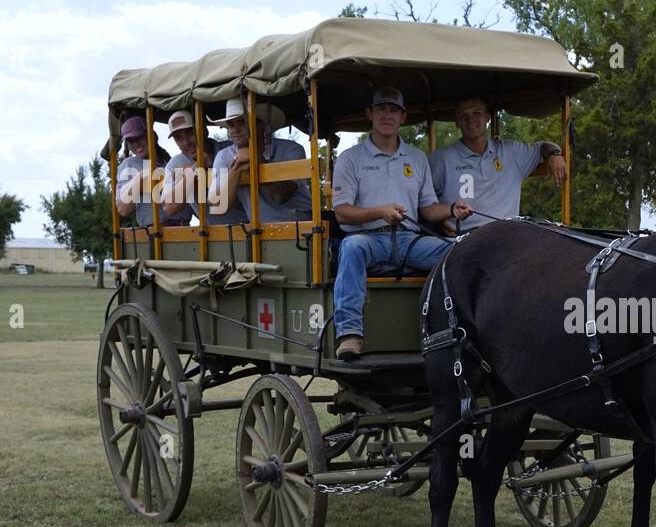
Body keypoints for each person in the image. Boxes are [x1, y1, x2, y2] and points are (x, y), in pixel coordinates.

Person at [331, 86, 472, 360]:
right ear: (369, 113)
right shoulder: (351, 158)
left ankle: (460, 326)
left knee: (459, 251)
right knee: (351, 248)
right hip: (368, 240)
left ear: (403, 117)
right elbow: (342, 212)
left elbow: (428, 209)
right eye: (381, 109)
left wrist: (452, 209)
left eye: (393, 110)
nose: (387, 115)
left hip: (409, 241)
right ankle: (350, 334)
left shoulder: (416, 158)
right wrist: (380, 212)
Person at [428, 96, 566, 229]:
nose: (471, 119)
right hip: (463, 238)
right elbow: (424, 202)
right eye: (464, 115)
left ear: (488, 117)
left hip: (507, 235)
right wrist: (441, 221)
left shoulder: (511, 151)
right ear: (457, 122)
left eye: (477, 113)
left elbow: (543, 147)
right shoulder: (440, 159)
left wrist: (555, 154)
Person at [207, 97, 312, 224]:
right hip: (259, 231)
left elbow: (280, 196)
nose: (235, 130)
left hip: (301, 227)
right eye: (231, 124)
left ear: (262, 124)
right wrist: (237, 168)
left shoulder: (291, 149)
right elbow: (217, 206)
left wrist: (258, 161)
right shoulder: (224, 156)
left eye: (242, 122)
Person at [160, 111, 221, 224]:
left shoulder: (227, 150)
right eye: (178, 138)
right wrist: (195, 170)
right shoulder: (176, 163)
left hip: (248, 225)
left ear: (204, 130)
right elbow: (168, 208)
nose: (186, 142)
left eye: (190, 133)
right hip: (210, 233)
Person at [113, 116, 175, 227]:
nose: (135, 143)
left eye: (139, 137)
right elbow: (123, 209)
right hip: (155, 231)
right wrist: (138, 182)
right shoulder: (130, 165)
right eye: (130, 141)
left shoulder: (170, 161)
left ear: (153, 136)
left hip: (185, 228)